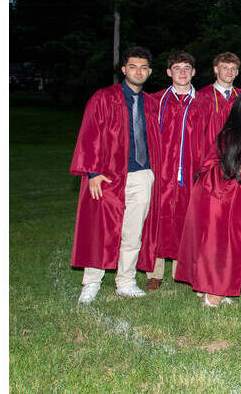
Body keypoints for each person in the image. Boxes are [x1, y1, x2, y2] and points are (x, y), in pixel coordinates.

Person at [71, 46, 161, 304]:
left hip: (142, 174)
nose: (138, 71)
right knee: (102, 229)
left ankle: (126, 281)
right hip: (109, 176)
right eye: (133, 66)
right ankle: (92, 282)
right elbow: (90, 135)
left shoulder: (152, 103)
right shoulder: (104, 97)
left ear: (149, 72)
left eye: (143, 67)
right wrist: (93, 172)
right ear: (124, 69)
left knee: (134, 231)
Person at [174, 91, 241, 307]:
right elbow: (221, 167)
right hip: (218, 196)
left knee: (234, 243)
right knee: (221, 243)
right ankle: (212, 295)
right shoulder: (233, 134)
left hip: (233, 195)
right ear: (240, 109)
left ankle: (217, 287)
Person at [143, 51, 210, 292]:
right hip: (161, 173)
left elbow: (210, 139)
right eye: (177, 68)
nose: (182, 72)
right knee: (157, 219)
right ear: (169, 72)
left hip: (191, 172)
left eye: (187, 68)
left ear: (193, 72)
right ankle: (155, 272)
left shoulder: (203, 103)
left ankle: (182, 271)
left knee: (187, 219)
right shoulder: (154, 101)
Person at [196, 52, 241, 144]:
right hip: (210, 152)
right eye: (225, 68)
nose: (229, 72)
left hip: (237, 152)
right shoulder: (202, 96)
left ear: (237, 72)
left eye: (233, 68)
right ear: (216, 69)